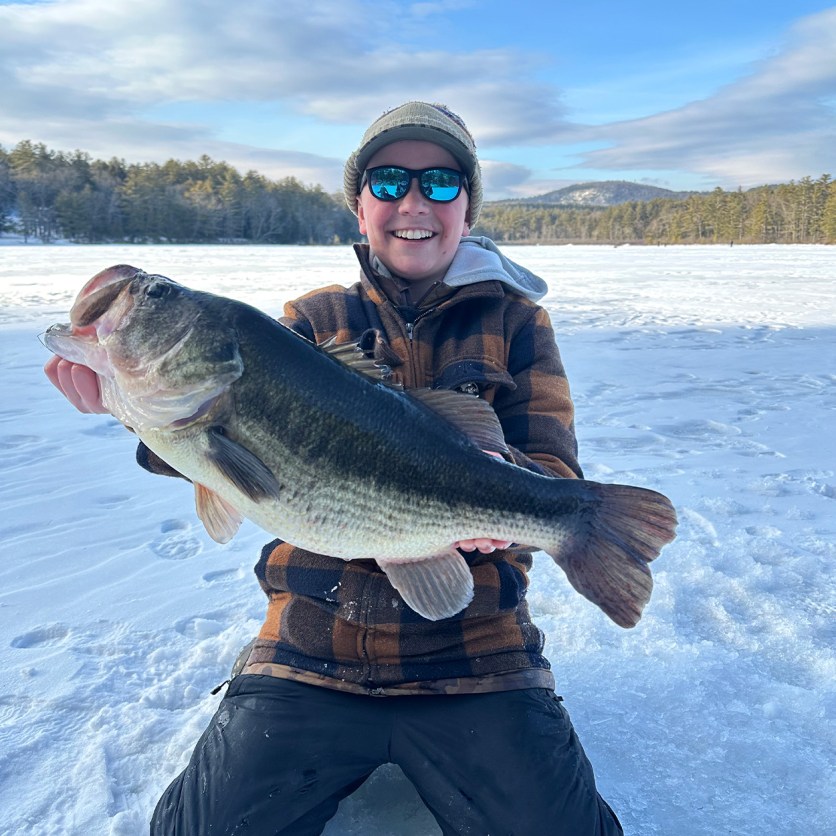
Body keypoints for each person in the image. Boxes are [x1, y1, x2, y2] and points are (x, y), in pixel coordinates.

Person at [45, 101, 624, 835]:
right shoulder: (310, 321)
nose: (413, 201)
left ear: (467, 208)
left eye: (441, 183)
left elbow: (549, 464)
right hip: (309, 647)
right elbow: (217, 454)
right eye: (388, 181)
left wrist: (496, 480)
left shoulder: (518, 325)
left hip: (476, 651)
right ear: (360, 208)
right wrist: (126, 407)